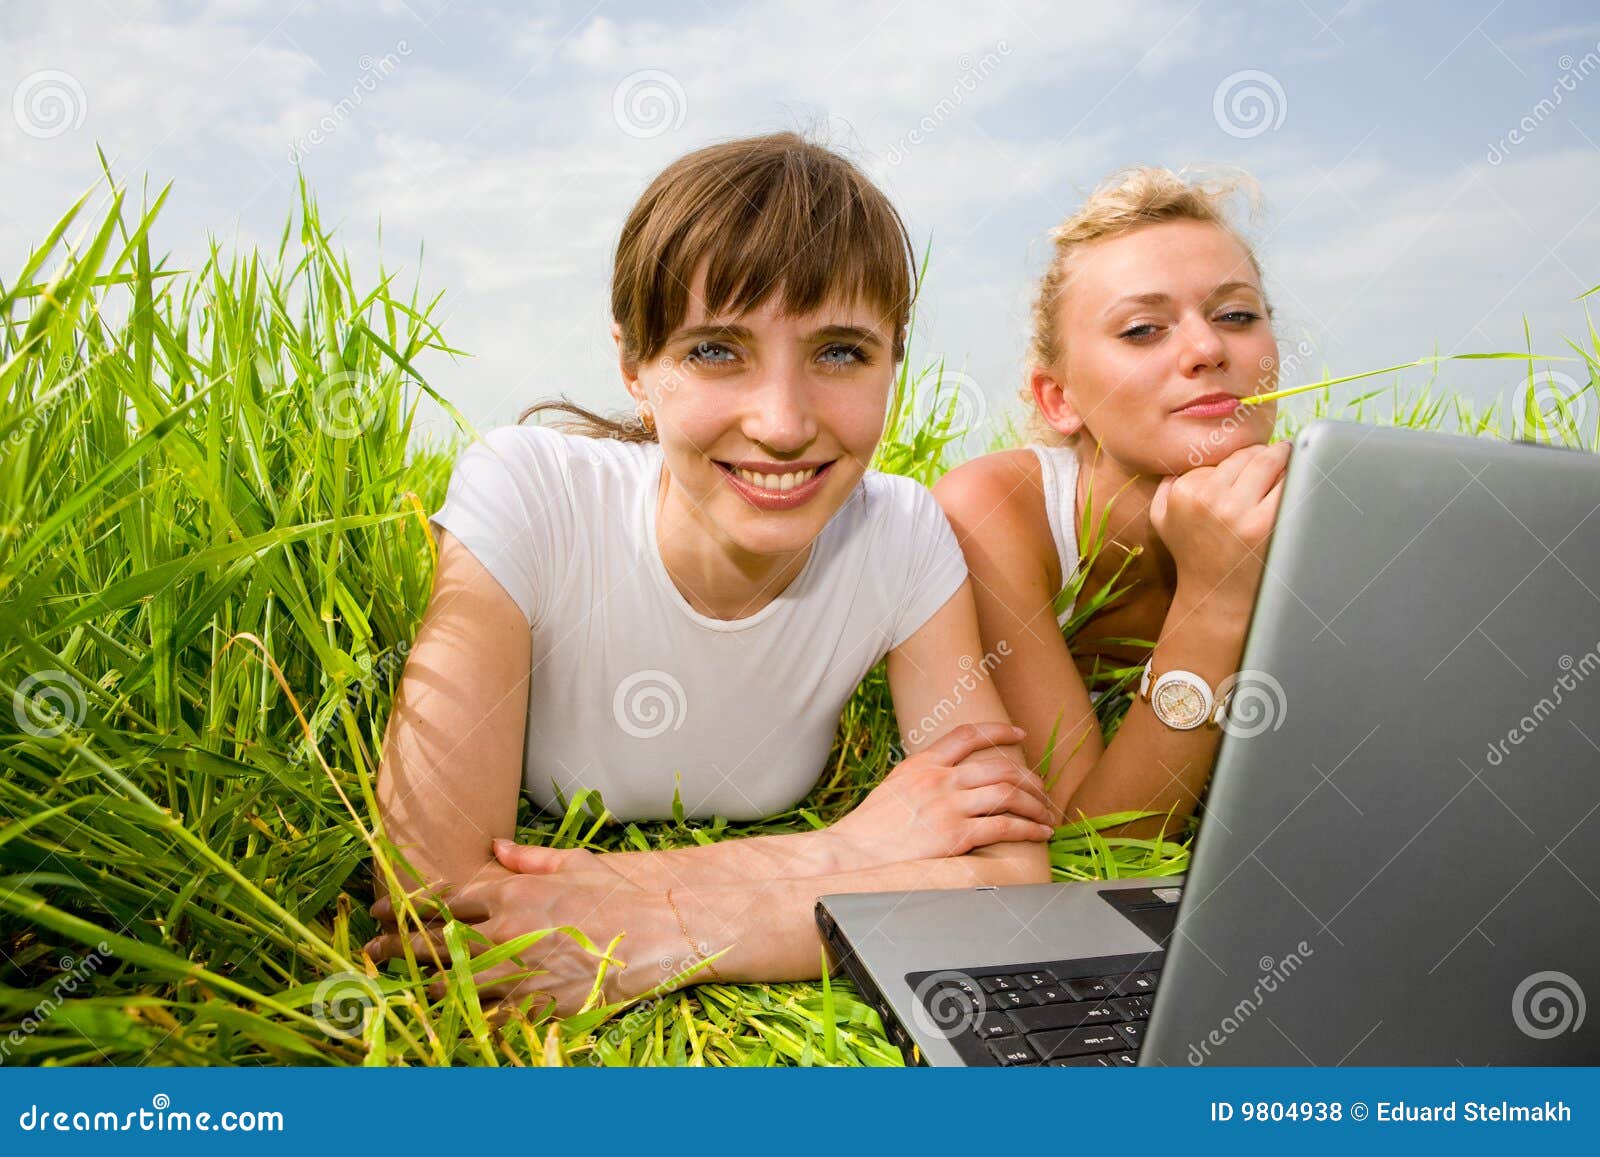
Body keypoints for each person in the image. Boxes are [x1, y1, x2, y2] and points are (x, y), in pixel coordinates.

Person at [365, 132, 1061, 1018]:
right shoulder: (529, 490)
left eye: (840, 352)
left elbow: (1007, 873)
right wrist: (849, 849)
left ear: (894, 363)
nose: (781, 422)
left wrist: (681, 925)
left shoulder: (904, 533)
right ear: (635, 367)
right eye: (716, 352)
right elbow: (438, 915)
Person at [933, 166, 1292, 846]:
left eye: (1237, 315)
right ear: (1058, 399)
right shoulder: (995, 514)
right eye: (1142, 329)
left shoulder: (1325, 508)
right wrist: (1215, 599)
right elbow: (1096, 844)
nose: (1207, 349)